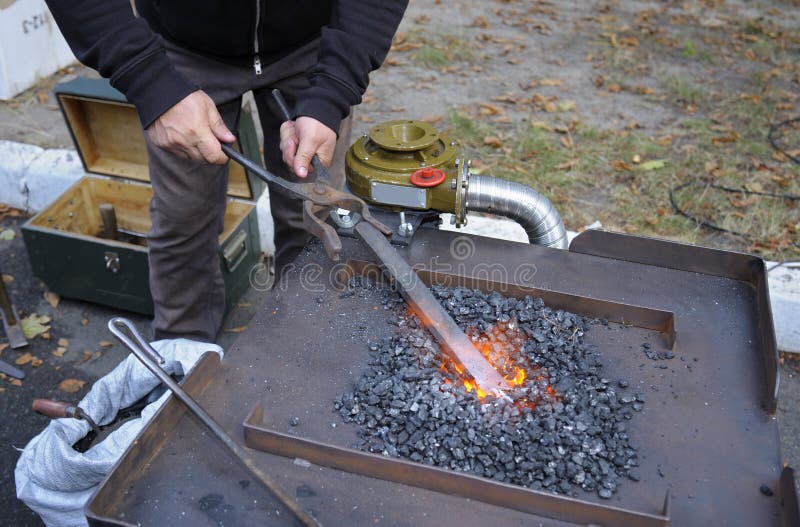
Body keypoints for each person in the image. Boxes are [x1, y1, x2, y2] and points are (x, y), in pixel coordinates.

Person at [44, 0, 408, 342]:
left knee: (311, 219)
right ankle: (181, 353)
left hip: (313, 47)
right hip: (182, 50)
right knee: (183, 220)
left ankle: (301, 345)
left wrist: (333, 90)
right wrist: (150, 80)